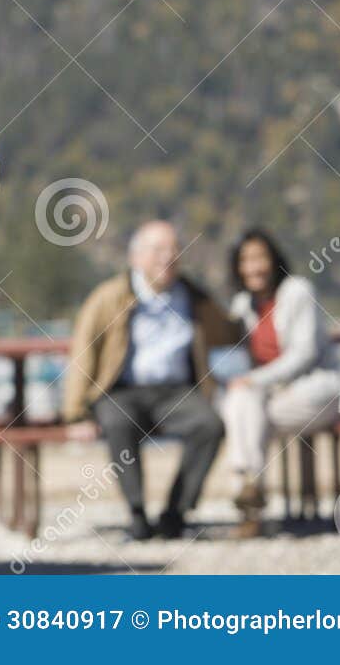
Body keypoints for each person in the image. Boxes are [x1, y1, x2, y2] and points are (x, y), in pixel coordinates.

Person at [61, 220, 243, 540]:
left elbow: (230, 331)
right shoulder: (109, 297)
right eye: (158, 250)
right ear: (136, 258)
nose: (167, 257)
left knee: (210, 425)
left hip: (176, 392)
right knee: (118, 423)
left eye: (174, 250)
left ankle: (176, 513)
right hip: (122, 390)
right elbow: (83, 352)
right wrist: (76, 412)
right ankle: (137, 514)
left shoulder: (193, 296)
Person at [220, 229, 340, 538]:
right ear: (237, 267)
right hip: (272, 399)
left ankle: (248, 495)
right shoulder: (242, 304)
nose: (253, 267)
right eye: (245, 260)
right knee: (240, 402)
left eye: (259, 258)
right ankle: (249, 488)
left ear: (274, 261)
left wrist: (253, 379)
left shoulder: (297, 290)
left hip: (314, 391)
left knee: (245, 408)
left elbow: (304, 354)